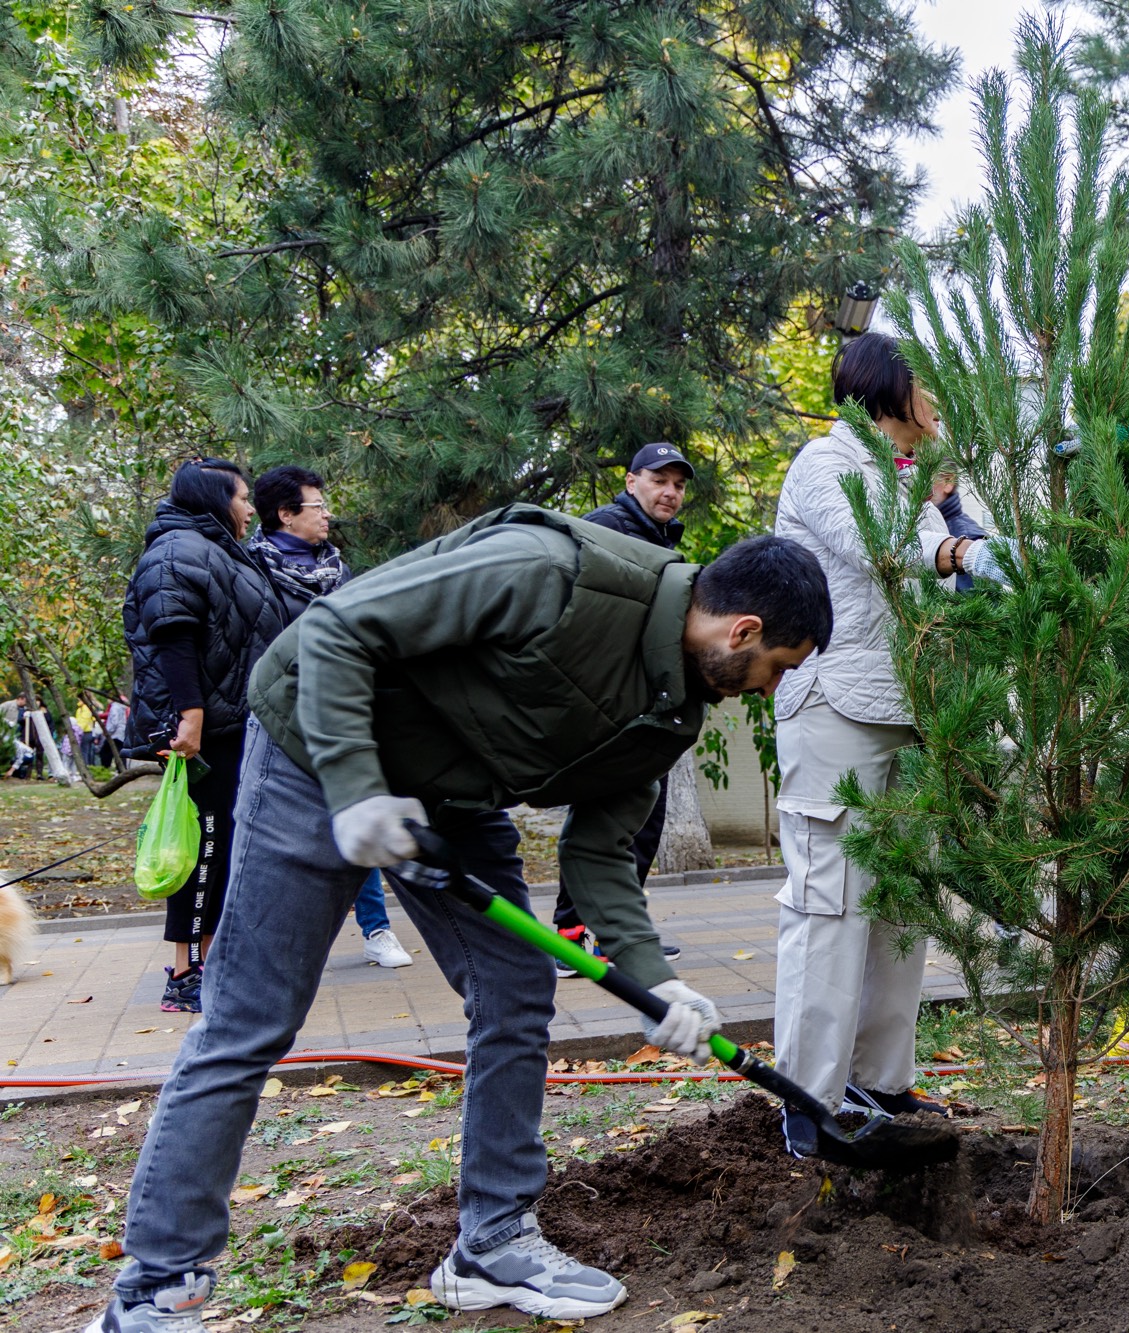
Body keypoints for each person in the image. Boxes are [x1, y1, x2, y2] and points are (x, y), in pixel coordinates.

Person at [84, 512, 830, 1333]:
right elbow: (337, 630)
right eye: (774, 669)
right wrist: (357, 782)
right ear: (744, 628)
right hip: (317, 744)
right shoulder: (554, 571)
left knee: (516, 988)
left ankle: (492, 1242)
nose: (767, 691)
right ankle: (156, 1290)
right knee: (249, 1019)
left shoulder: (672, 710)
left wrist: (660, 984)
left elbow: (601, 852)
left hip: (449, 800)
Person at [770, 330, 1011, 1159]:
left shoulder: (903, 477)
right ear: (888, 391)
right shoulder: (825, 462)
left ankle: (879, 1076)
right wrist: (958, 547)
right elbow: (875, 548)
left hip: (904, 709)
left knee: (902, 900)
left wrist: (952, 517)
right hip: (833, 704)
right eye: (930, 388)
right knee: (828, 900)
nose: (941, 403)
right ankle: (807, 1100)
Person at [121, 459, 287, 1013]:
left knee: (218, 846)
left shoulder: (211, 548)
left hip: (227, 724)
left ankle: (212, 963)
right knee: (203, 848)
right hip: (205, 732)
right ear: (216, 500)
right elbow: (172, 634)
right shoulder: (177, 551)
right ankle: (185, 974)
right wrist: (189, 718)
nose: (248, 509)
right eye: (242, 498)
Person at [250, 464, 412, 970]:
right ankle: (275, 948)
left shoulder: (335, 569)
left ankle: (377, 929)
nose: (327, 516)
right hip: (278, 722)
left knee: (355, 814)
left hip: (339, 714)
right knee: (277, 843)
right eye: (318, 506)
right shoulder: (253, 570)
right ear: (285, 514)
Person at [547, 442, 700, 972]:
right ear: (632, 481)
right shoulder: (606, 528)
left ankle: (614, 935)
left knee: (641, 818)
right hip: (608, 702)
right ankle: (570, 935)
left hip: (641, 700)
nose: (671, 493)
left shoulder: (660, 536)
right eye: (660, 481)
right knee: (607, 815)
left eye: (679, 485)